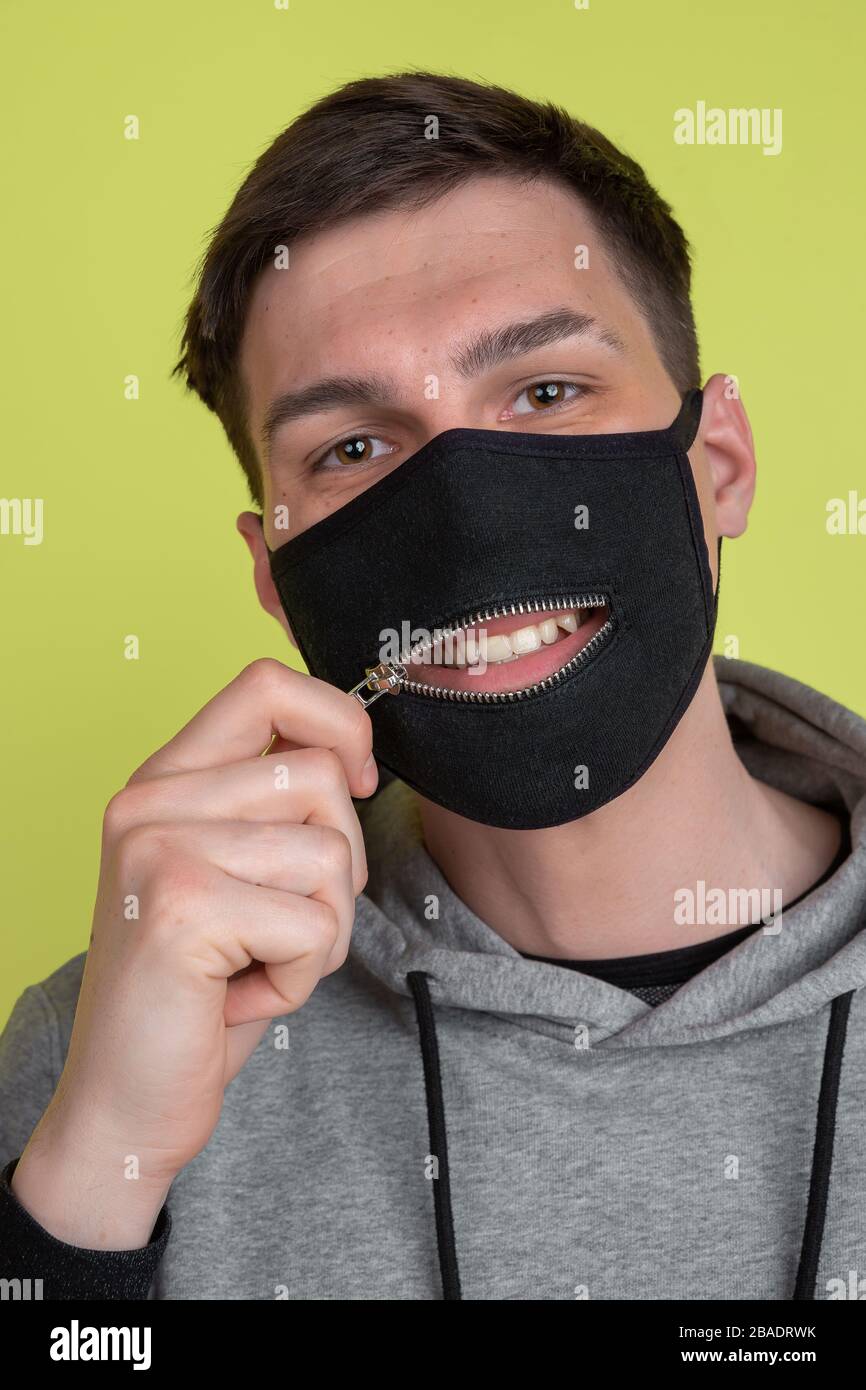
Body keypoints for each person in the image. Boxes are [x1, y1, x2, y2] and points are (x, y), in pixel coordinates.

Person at [2, 71, 864, 1302]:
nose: (464, 519)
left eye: (546, 391)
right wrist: (95, 1167)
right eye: (351, 449)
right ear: (273, 577)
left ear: (716, 463)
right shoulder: (123, 1038)